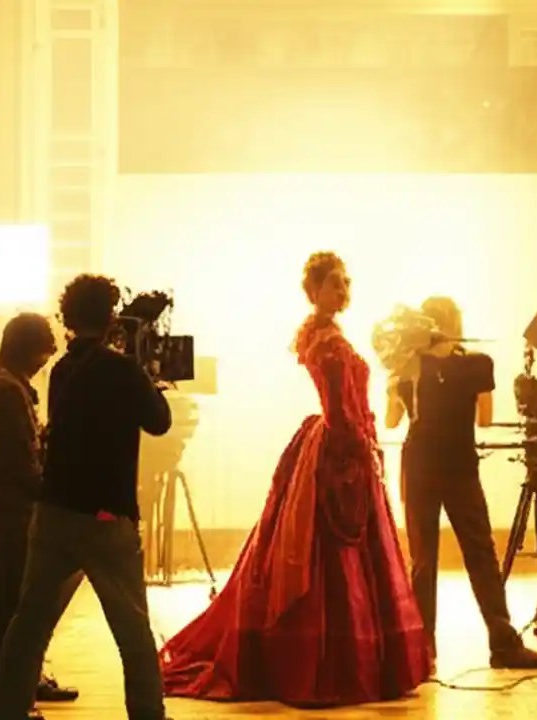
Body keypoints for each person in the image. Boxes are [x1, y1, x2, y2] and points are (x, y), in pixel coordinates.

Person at [160, 251, 429, 706]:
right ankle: (330, 664)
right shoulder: (326, 341)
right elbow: (342, 409)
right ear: (314, 291)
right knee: (327, 554)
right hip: (339, 450)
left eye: (346, 282)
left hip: (342, 444)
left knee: (341, 556)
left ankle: (348, 658)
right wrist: (357, 448)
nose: (342, 291)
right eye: (333, 284)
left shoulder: (326, 335)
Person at [0, 275, 172, 720]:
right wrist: (142, 368)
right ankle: (148, 713)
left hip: (55, 510)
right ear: (110, 316)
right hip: (106, 513)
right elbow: (159, 420)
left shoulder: (63, 369)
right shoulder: (121, 369)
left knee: (29, 625)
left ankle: (3, 711)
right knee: (132, 630)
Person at [385, 296, 537, 671]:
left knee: (423, 558)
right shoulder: (478, 363)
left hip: (420, 464)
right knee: (480, 553)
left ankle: (422, 652)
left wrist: (396, 386)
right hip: (460, 465)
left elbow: (393, 421)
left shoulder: (408, 367)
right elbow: (485, 420)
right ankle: (503, 643)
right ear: (456, 324)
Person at [0, 313, 79, 720]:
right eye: (42, 354)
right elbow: (20, 462)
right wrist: (53, 490)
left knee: (2, 609)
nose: (44, 364)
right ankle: (1, 701)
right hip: (10, 513)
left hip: (2, 509)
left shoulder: (2, 385)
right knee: (9, 613)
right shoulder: (6, 392)